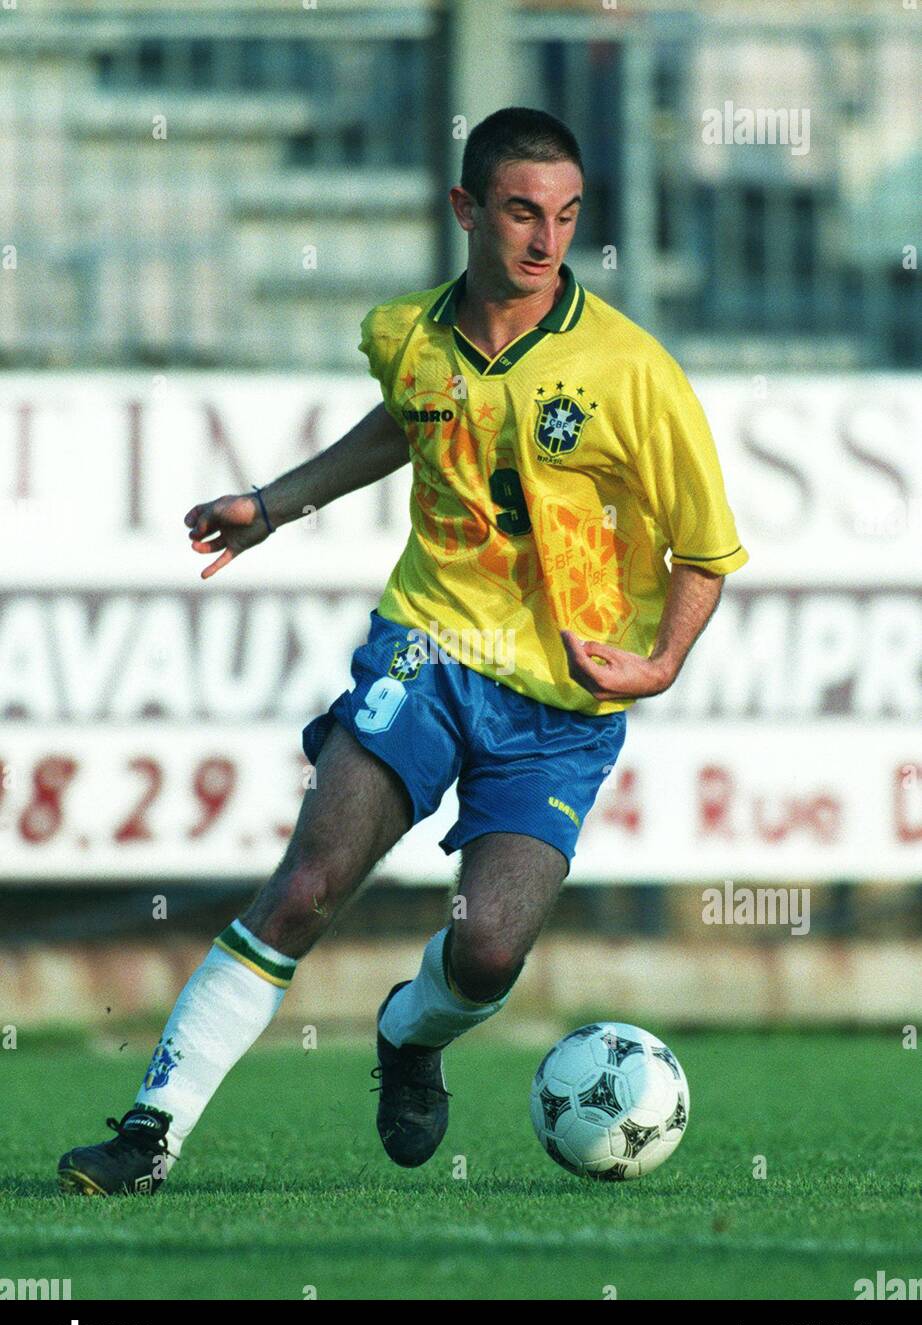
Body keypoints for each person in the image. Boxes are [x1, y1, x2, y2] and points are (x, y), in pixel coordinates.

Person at [58, 107, 747, 1195]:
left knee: (485, 954)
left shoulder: (631, 370)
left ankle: (408, 1035)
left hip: (560, 704)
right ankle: (148, 1133)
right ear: (466, 209)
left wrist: (657, 663)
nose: (544, 241)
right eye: (522, 212)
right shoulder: (407, 336)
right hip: (423, 652)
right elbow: (411, 419)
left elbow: (706, 551)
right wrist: (275, 505)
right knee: (305, 885)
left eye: (566, 217)